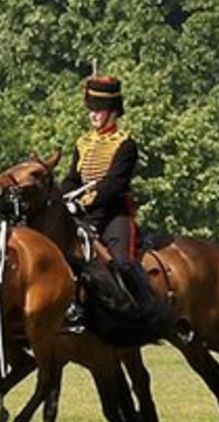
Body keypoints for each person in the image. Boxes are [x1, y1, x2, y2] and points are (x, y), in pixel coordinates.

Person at [60, 75, 153, 307]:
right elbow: (72, 178)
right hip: (83, 215)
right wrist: (65, 198)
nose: (93, 115)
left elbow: (114, 185)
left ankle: (141, 308)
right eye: (91, 110)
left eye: (99, 110)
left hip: (113, 214)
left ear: (112, 112)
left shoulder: (125, 144)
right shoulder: (82, 143)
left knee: (122, 263)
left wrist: (83, 202)